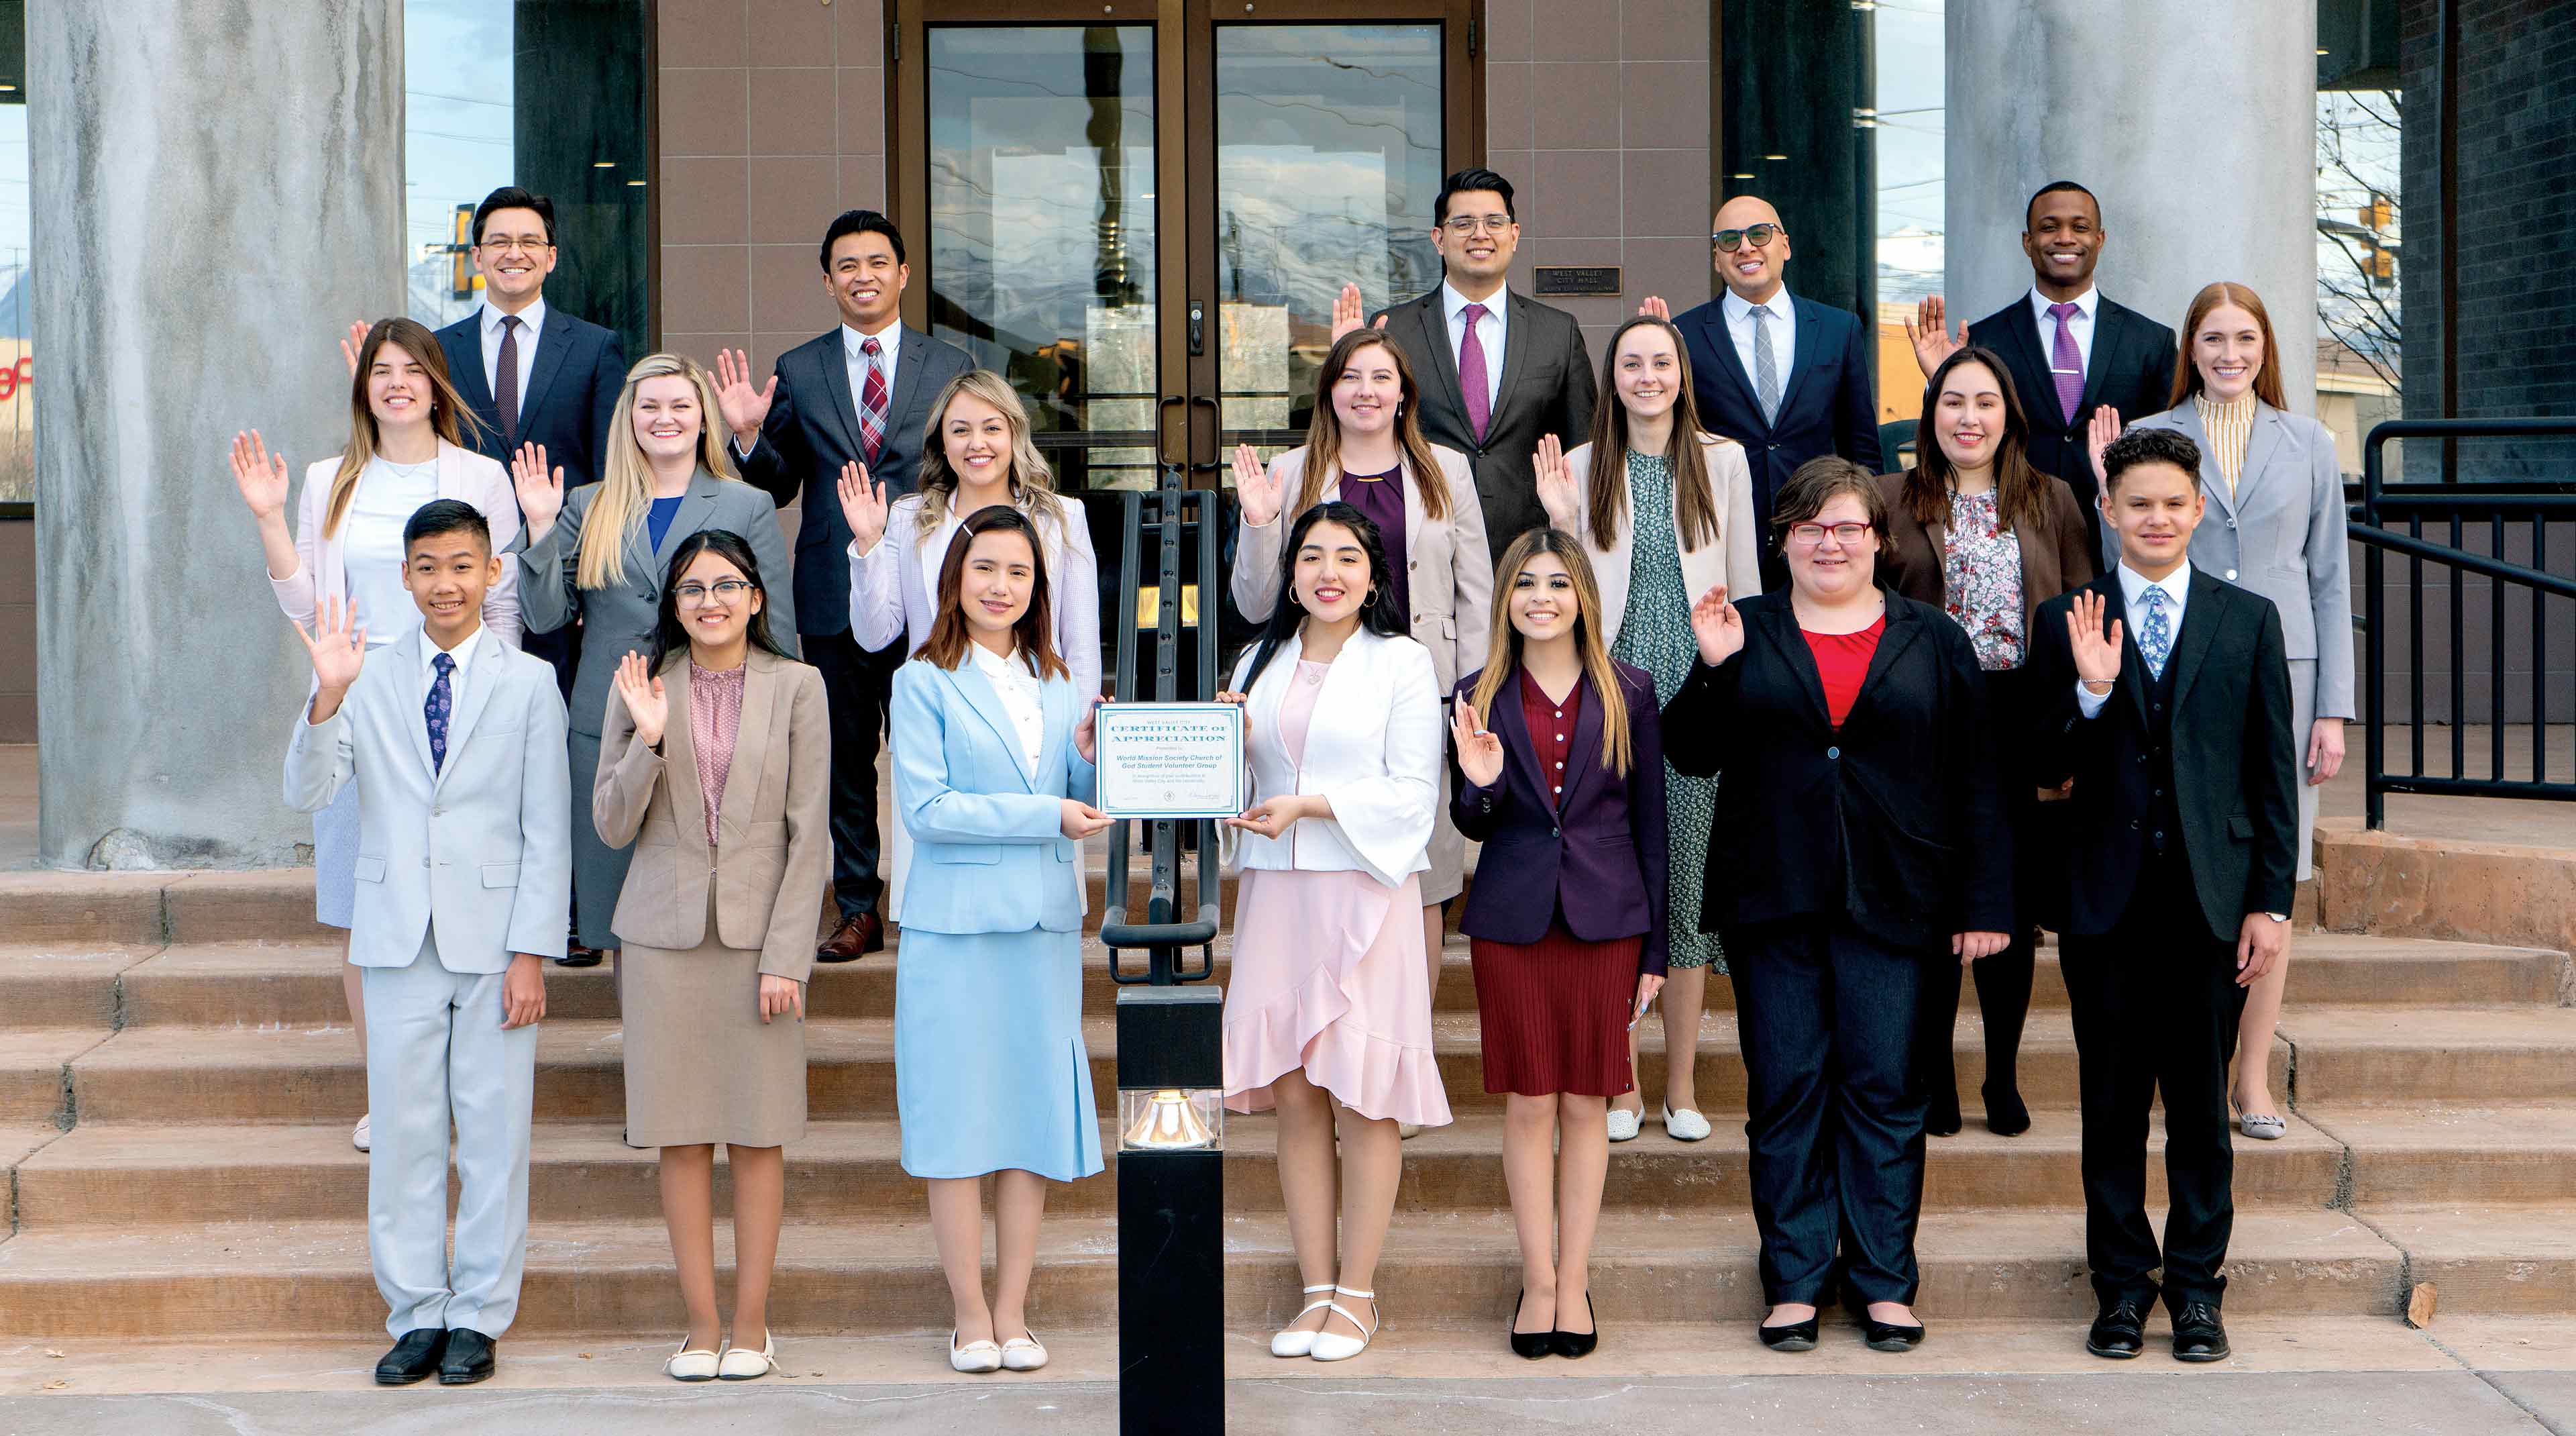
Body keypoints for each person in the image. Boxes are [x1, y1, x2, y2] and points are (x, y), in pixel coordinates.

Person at [1662, 458, 2009, 1354]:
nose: (1829, 544)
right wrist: (1713, 670)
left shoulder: (1933, 638)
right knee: (1787, 1089)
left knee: (1887, 1089)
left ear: (1879, 540)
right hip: (1773, 895)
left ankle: (1884, 1280)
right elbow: (1690, 753)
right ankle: (1796, 1280)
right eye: (1809, 528)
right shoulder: (1746, 626)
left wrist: (1984, 900)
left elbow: (1977, 776)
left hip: (1900, 895)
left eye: (1848, 527)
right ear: (1783, 540)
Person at [280, 499, 569, 1388]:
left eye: (462, 565)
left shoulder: (529, 682)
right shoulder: (363, 673)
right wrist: (327, 696)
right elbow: (307, 791)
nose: (446, 583)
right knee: (405, 1138)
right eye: (429, 567)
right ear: (405, 577)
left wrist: (533, 952)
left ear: (491, 574)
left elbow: (546, 827)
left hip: (496, 944)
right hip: (397, 935)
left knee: (493, 1136)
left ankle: (478, 1314)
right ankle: (415, 1313)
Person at [2027, 425, 2298, 1364]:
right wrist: (2091, 695)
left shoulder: (2248, 618)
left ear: (2198, 510)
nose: (2157, 518)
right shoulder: (2066, 617)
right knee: (2109, 1110)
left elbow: (2271, 774)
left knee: (2198, 1115)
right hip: (2104, 903)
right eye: (2138, 503)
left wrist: (2271, 903)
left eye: (2174, 503)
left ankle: (2195, 1291)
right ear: (2107, 509)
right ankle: (2117, 1288)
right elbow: (2040, 760)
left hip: (2208, 905)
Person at [234, 316, 523, 1156]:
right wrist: (269, 518)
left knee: (460, 902)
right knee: (367, 910)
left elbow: (503, 603)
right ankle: (390, 1096)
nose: (397, 383)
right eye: (381, 370)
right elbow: (307, 603)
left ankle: (460, 1092)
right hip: (358, 704)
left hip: (457, 705)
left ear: (437, 384)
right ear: (363, 387)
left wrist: (501, 706)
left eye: (412, 370)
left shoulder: (481, 476)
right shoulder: (330, 479)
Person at [2092, 281, 2351, 1144]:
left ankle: (2251, 1073)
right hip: (2182, 669)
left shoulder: (2307, 441)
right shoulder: (2150, 436)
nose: (2229, 353)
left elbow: (2329, 576)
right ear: (2190, 349)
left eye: (2245, 338)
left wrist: (2333, 707)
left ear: (2265, 347)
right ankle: (2185, 1061)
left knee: (2270, 877)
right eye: (2213, 338)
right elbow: (2123, 547)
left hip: (2288, 675)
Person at [592, 531, 828, 1383]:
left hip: (761, 943)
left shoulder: (799, 686)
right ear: (675, 605)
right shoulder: (640, 684)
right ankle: (700, 1326)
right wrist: (649, 742)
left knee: (759, 1138)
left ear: (756, 598)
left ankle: (753, 1326)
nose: (710, 601)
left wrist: (788, 956)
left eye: (727, 585)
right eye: (692, 589)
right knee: (681, 1139)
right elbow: (611, 825)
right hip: (663, 940)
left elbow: (809, 832)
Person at [714, 209, 977, 962]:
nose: (864, 276)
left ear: (903, 274)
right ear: (828, 282)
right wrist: (747, 437)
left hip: (932, 588)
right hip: (834, 589)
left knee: (939, 751)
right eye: (847, 266)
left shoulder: (950, 363)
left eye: (877, 262)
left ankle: (937, 897)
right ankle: (859, 907)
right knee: (846, 759)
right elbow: (779, 484)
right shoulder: (800, 369)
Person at [1221, 502, 1450, 1364]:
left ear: (1374, 575)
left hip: (1365, 890)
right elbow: (1238, 787)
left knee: (1363, 1091)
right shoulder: (1258, 661)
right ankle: (1315, 1289)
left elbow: (1413, 795)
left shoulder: (1402, 662)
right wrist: (1224, 744)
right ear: (1290, 575)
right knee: (1294, 1094)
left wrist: (1311, 805)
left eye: (1347, 557)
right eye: (1312, 556)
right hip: (1278, 897)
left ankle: (1358, 1294)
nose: (1329, 572)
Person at [886, 505, 1112, 1376]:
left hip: (1043, 926)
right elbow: (929, 810)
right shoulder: (923, 679)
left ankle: (1013, 1310)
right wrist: (1048, 811)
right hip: (954, 929)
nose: (1001, 585)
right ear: (956, 577)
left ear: (1037, 586)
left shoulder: (1059, 682)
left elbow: (1080, 794)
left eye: (1019, 572)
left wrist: (1093, 753)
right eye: (985, 568)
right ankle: (969, 1312)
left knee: (1029, 1120)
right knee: (956, 1119)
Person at [1532, 313, 1762, 1146]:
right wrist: (1561, 517)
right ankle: (1620, 1082)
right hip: (1613, 690)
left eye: (1661, 362)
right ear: (1613, 378)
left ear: (1681, 374)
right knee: (1621, 888)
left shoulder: (1724, 460)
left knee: (1688, 895)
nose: (1647, 377)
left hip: (1698, 693)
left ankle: (1682, 1085)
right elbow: (1562, 595)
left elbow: (1746, 584)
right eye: (1631, 363)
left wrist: (1742, 687)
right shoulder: (1583, 464)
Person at [1448, 528, 1668, 1360]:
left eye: (1558, 583)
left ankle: (1574, 1279)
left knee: (1586, 1102)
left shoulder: (1630, 691)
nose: (1541, 598)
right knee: (1530, 1100)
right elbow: (1471, 820)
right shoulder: (1476, 692)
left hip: (1608, 921)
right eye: (1526, 583)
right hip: (1512, 922)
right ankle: (1536, 1280)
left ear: (1583, 597)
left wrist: (1656, 953)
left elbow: (1652, 827)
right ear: (1505, 598)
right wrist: (1479, 785)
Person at [1232, 329, 1493, 1025]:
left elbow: (1477, 591)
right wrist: (1260, 524)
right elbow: (1257, 603)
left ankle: (1405, 1046)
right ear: (1329, 392)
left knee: (1422, 870)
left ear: (1404, 392)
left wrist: (1475, 693)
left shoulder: (1446, 469)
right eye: (1350, 376)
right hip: (1323, 692)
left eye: (1381, 377)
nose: (1366, 391)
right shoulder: (1293, 470)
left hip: (1425, 690)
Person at [1875, 346, 2096, 1138]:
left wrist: (2072, 736)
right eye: (1953, 402)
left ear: (2010, 416)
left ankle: (2002, 1074)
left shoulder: (2053, 498)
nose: (1968, 418)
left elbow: (2080, 612)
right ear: (1930, 414)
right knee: (1934, 902)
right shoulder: (1890, 497)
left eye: (1985, 402)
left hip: (2020, 718)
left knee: (2010, 901)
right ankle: (1934, 1075)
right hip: (1922, 720)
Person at [513, 354, 795, 965]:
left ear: (703, 418)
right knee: (616, 900)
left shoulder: (746, 505)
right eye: (650, 406)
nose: (665, 418)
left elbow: (776, 630)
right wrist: (539, 526)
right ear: (629, 418)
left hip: (713, 723)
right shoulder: (588, 504)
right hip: (608, 725)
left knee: (703, 894)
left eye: (680, 406)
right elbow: (544, 617)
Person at [840, 370, 1101, 921]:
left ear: (1015, 434)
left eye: (991, 428)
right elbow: (875, 633)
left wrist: (1075, 743)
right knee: (948, 899)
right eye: (960, 430)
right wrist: (867, 545)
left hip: (1036, 734)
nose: (976, 444)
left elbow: (1079, 643)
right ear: (941, 440)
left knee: (1036, 900)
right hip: (942, 730)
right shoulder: (910, 517)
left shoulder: (1060, 516)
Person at [1327, 167, 1595, 558]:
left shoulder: (1558, 332)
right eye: (1464, 223)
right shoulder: (1393, 330)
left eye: (1494, 222)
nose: (1480, 234)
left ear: (1514, 235)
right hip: (1420, 546)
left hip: (1528, 552)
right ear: (1439, 239)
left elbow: (1585, 449)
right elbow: (1358, 437)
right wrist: (1344, 367)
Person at [1904, 181, 2178, 554]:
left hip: (2118, 539)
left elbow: (2166, 448)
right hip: (2012, 534)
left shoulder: (2150, 341)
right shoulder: (1985, 339)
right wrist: (1940, 381)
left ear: (2100, 239)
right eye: (2049, 227)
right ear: (2027, 241)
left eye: (2080, 227)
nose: (2065, 238)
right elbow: (1953, 441)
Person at [1642, 195, 1883, 589]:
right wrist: (1657, 362)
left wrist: (1869, 536)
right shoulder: (1684, 336)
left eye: (1759, 234)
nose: (1745, 247)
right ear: (1717, 259)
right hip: (1720, 542)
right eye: (1729, 239)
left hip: (1820, 538)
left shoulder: (1838, 329)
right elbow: (1668, 439)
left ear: (1785, 246)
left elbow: (1862, 448)